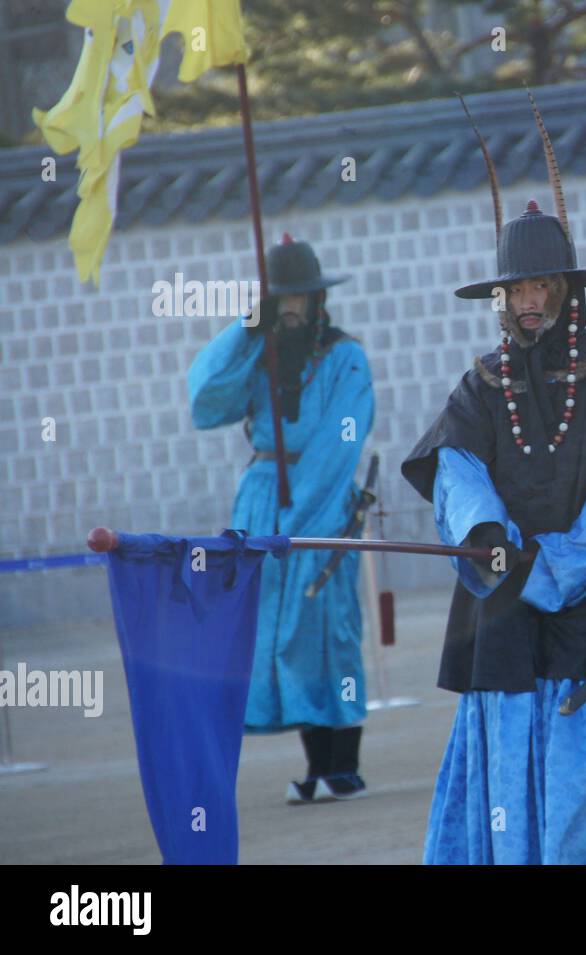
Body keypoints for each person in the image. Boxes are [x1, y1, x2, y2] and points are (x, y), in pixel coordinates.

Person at [401, 105, 586, 864]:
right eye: (516, 287)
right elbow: (455, 470)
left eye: (542, 284)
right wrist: (488, 539)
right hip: (501, 599)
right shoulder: (480, 385)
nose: (529, 300)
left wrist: (551, 569)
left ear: (567, 287)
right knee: (503, 770)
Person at [188, 234, 375, 803]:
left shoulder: (346, 357)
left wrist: (302, 523)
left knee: (322, 626)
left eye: (300, 298)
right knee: (272, 633)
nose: (291, 310)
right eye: (281, 299)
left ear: (318, 301)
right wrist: (245, 328)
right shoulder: (259, 352)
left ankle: (341, 764)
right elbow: (206, 402)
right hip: (262, 498)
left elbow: (340, 444)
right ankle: (315, 764)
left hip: (318, 501)